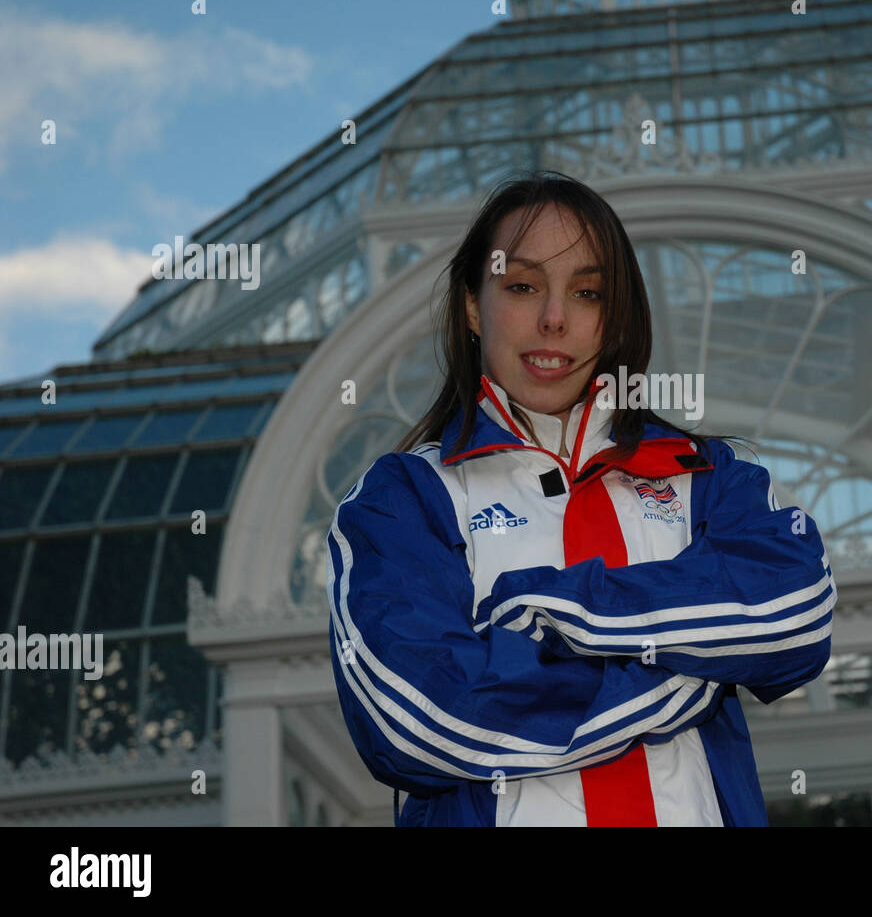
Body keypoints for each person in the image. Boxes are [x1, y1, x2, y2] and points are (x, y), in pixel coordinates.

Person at [327, 170, 837, 826]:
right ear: (473, 307)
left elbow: (795, 613)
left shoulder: (708, 475)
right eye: (522, 286)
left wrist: (549, 613)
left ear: (613, 316)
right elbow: (416, 722)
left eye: (588, 291)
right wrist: (693, 674)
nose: (555, 318)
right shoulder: (402, 500)